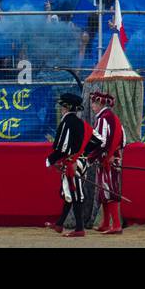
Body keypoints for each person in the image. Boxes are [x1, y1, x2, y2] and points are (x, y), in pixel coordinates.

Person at [45, 92, 96, 238]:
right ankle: (60, 224)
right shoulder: (82, 124)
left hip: (72, 163)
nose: (61, 108)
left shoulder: (67, 122)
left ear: (67, 107)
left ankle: (80, 228)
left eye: (63, 106)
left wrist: (51, 160)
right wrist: (85, 156)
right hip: (79, 162)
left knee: (74, 193)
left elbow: (63, 147)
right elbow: (98, 141)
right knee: (70, 191)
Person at [89, 90, 125, 235]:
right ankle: (105, 223)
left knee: (109, 190)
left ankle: (116, 224)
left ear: (99, 103)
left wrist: (91, 157)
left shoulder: (104, 119)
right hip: (111, 157)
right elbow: (122, 139)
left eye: (93, 103)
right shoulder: (112, 117)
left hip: (107, 159)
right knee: (104, 191)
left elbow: (101, 142)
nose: (92, 105)